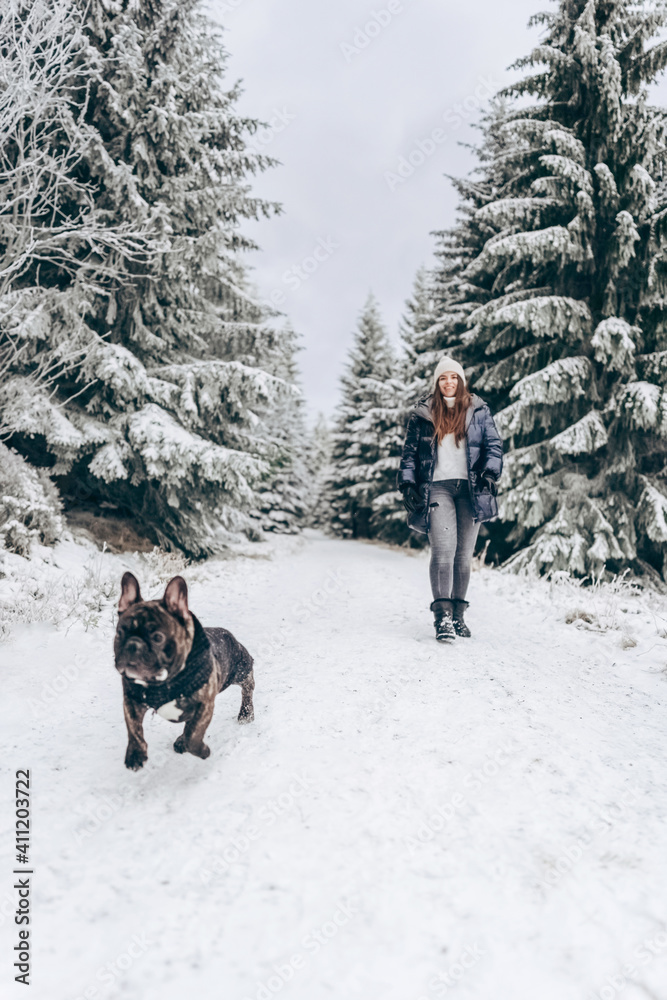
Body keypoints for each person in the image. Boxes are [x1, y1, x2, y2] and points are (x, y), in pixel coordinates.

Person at [397, 357, 503, 642]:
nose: (449, 382)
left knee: (464, 555)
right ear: (437, 382)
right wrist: (407, 484)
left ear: (461, 380)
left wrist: (491, 473)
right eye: (443, 378)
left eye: (453, 377)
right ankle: (442, 617)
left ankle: (458, 616)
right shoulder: (423, 413)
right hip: (438, 487)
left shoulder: (478, 410)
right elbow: (409, 453)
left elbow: (493, 445)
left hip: (471, 489)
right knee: (443, 550)